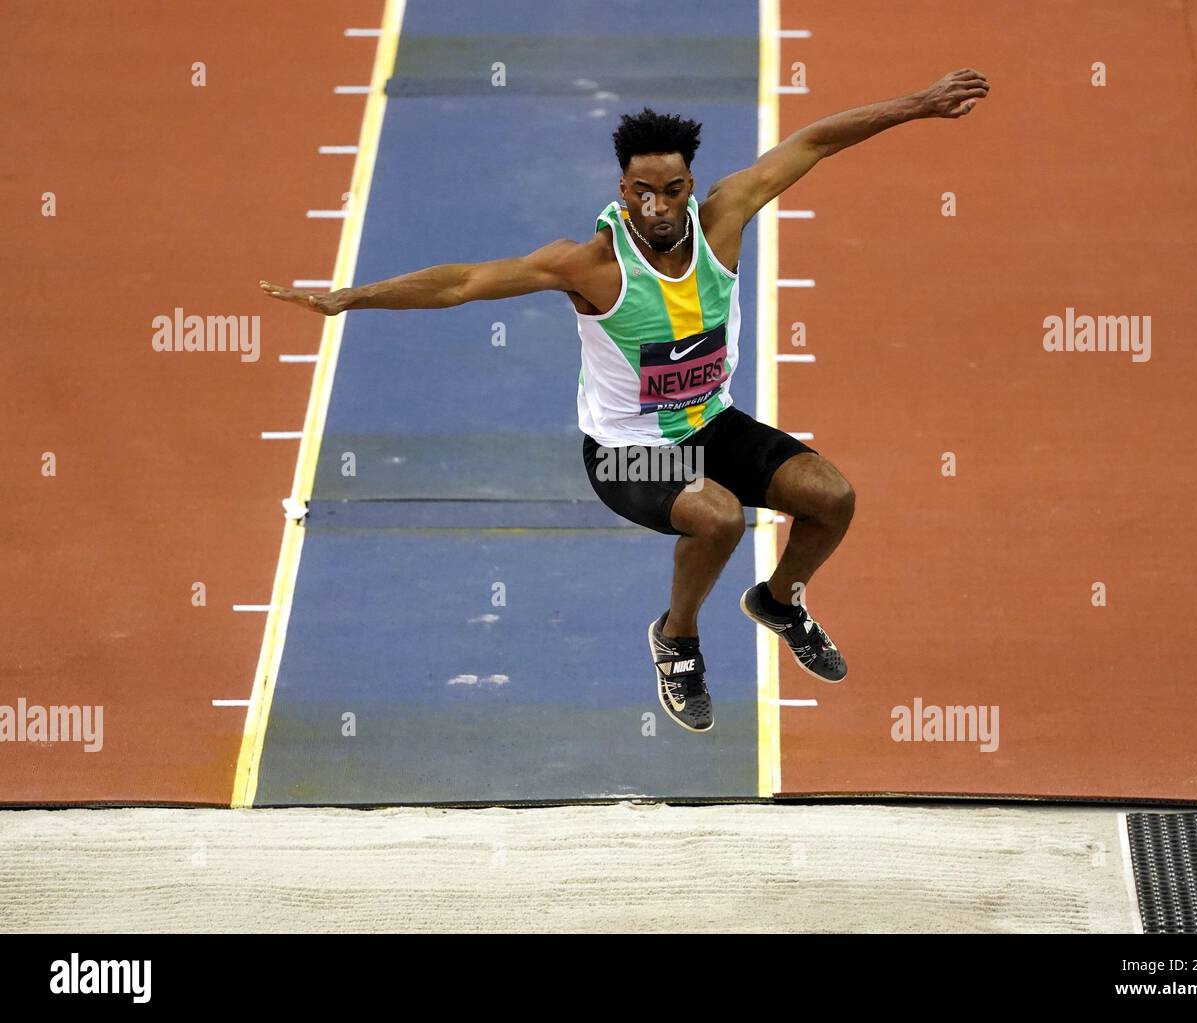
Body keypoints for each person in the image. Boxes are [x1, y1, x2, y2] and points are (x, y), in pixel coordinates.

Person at [261, 68, 990, 733]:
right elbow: (460, 283)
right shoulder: (589, 266)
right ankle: (677, 638)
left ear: (688, 184)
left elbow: (815, 141)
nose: (660, 204)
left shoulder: (724, 218)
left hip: (709, 423)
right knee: (718, 518)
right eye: (644, 190)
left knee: (832, 495)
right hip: (623, 452)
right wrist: (350, 298)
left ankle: (779, 599)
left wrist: (918, 105)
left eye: (673, 189)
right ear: (623, 191)